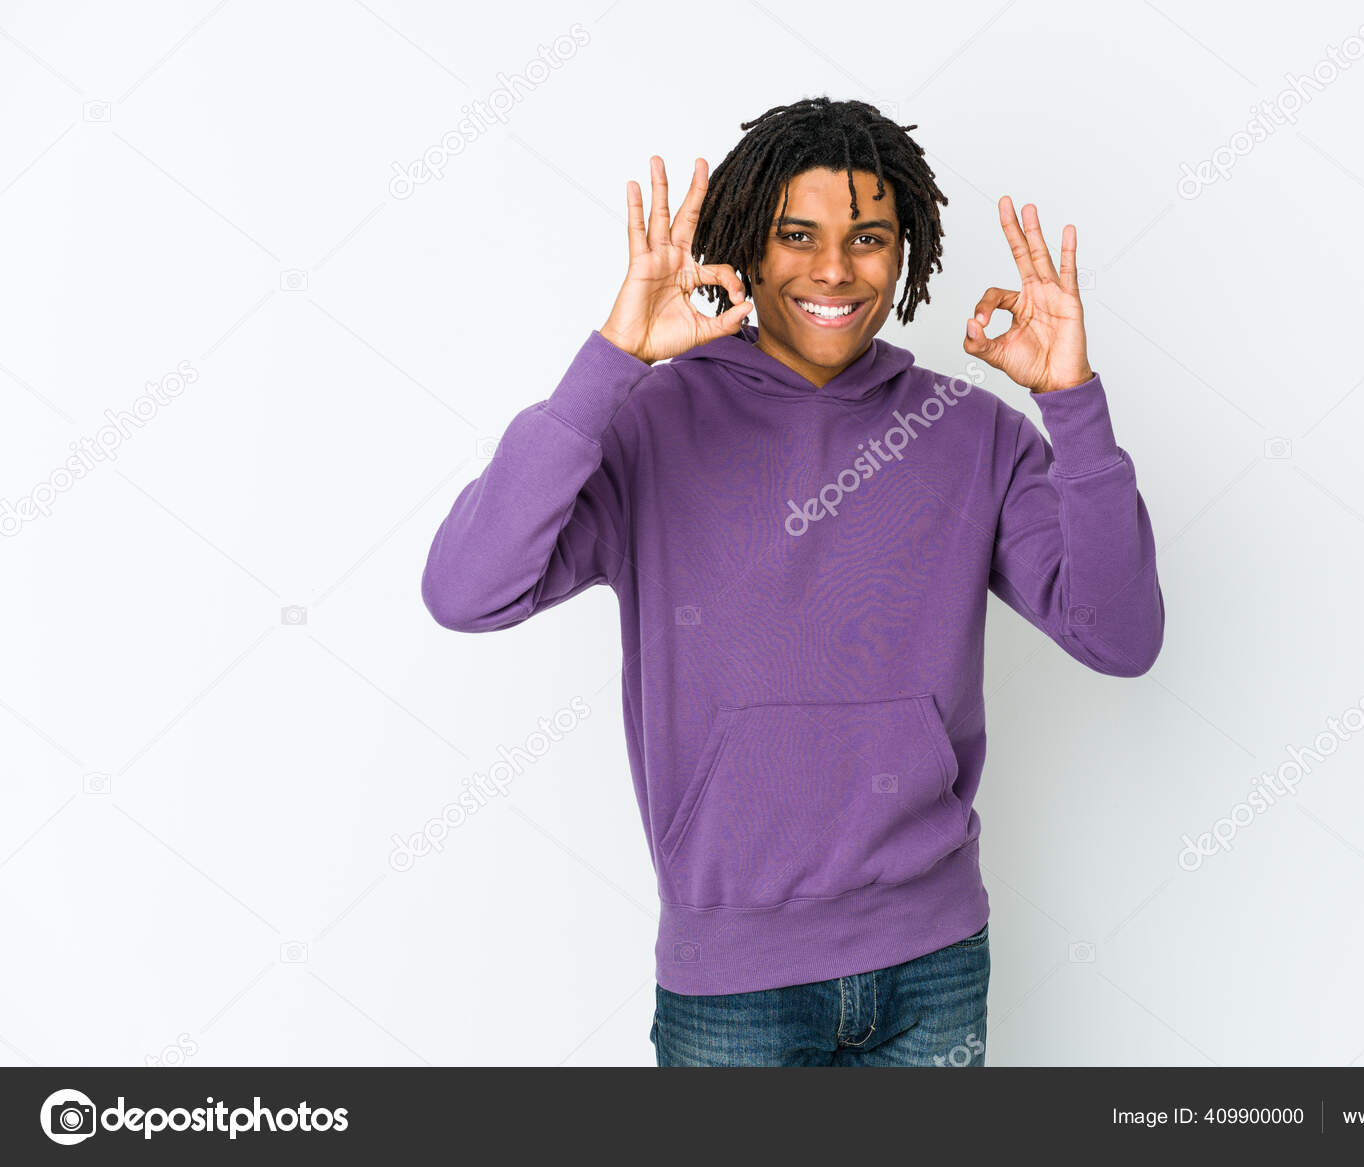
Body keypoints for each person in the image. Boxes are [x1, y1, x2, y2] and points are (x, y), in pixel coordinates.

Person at [420, 96, 1165, 1066]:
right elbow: (466, 590)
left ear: (905, 252)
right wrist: (611, 362)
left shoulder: (971, 436)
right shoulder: (650, 422)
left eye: (868, 237)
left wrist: (1070, 401)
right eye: (796, 235)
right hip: (734, 980)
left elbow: (1120, 636)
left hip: (931, 959)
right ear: (747, 247)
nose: (832, 269)